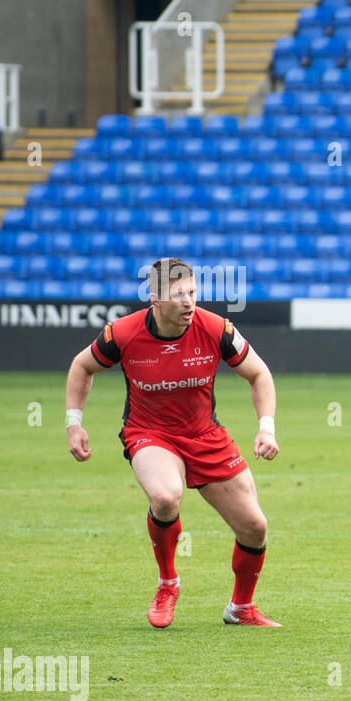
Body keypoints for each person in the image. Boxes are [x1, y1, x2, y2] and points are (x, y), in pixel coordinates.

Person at [65, 257, 281, 628]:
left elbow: (259, 373)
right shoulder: (123, 333)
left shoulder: (216, 329)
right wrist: (74, 423)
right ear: (155, 298)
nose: (188, 302)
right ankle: (168, 583)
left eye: (193, 292)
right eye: (178, 294)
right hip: (149, 433)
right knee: (166, 495)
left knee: (254, 527)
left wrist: (267, 428)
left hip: (204, 434)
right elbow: (82, 366)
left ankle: (240, 608)